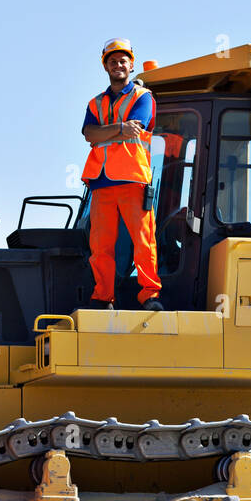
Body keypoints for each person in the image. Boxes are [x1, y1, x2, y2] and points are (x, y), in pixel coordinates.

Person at [81, 38, 162, 311]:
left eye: (123, 61)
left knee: (143, 240)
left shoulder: (143, 97)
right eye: (113, 61)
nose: (118, 65)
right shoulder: (95, 103)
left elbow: (135, 128)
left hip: (133, 178)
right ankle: (103, 297)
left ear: (131, 65)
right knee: (100, 246)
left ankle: (149, 294)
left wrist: (108, 131)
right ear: (106, 66)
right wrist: (119, 127)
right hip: (101, 181)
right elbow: (89, 134)